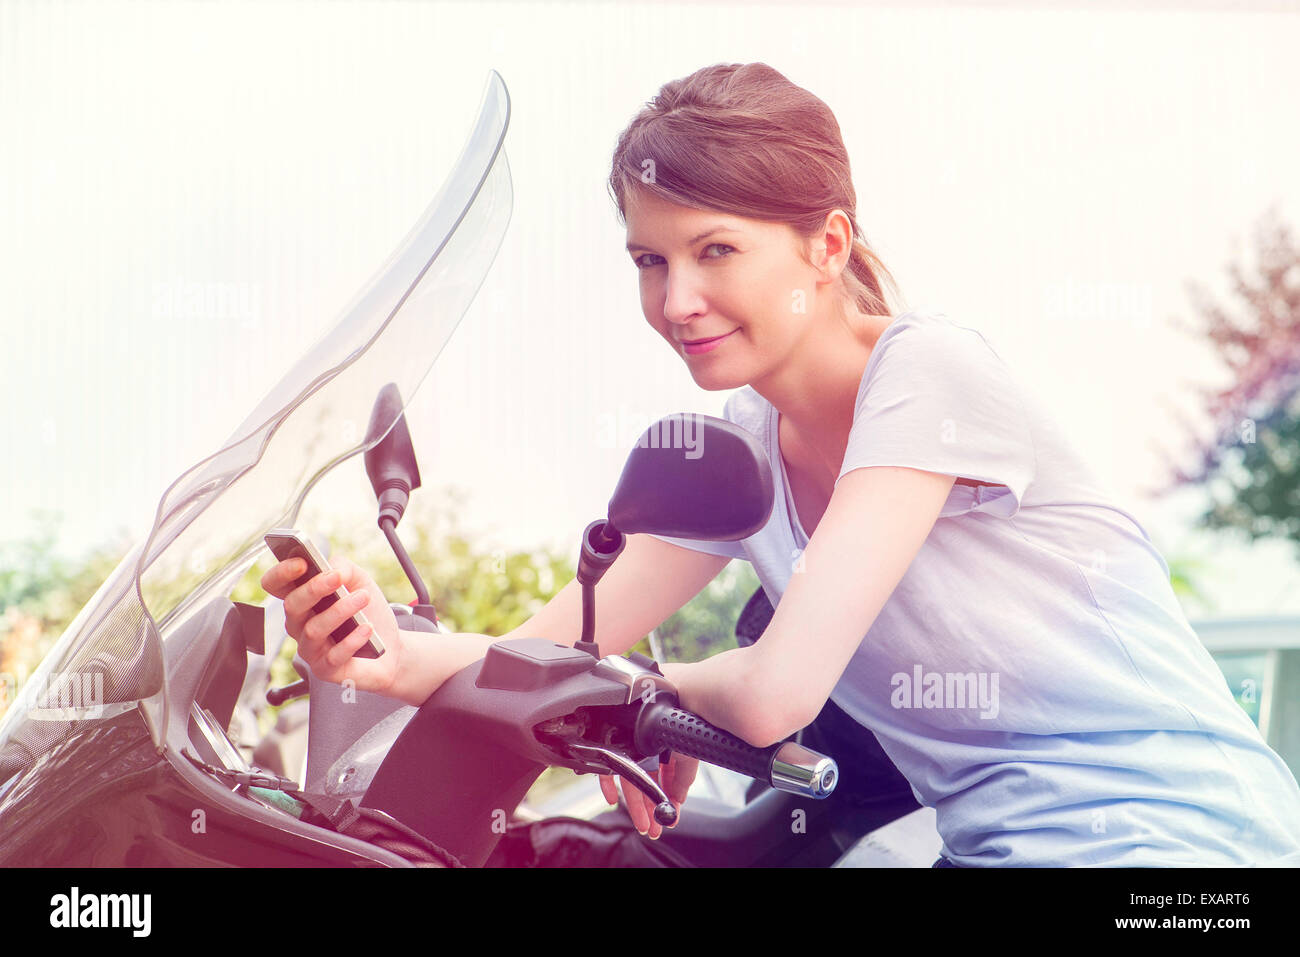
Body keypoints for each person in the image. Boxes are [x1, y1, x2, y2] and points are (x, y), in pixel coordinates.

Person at [262, 62, 1300, 866]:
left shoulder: (927, 374)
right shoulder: (738, 456)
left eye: (716, 251)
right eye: (649, 260)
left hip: (1180, 849)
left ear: (827, 246)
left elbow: (771, 695)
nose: (676, 301)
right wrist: (382, 651)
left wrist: (625, 690)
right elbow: (549, 656)